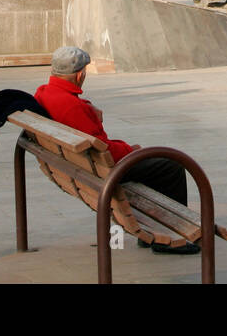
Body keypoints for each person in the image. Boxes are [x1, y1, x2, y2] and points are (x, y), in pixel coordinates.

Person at [34, 46, 199, 255]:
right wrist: (131, 149)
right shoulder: (72, 106)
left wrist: (87, 105)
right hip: (104, 171)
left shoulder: (45, 93)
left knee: (154, 164)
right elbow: (103, 149)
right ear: (80, 75)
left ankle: (155, 232)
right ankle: (170, 236)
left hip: (81, 168)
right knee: (170, 166)